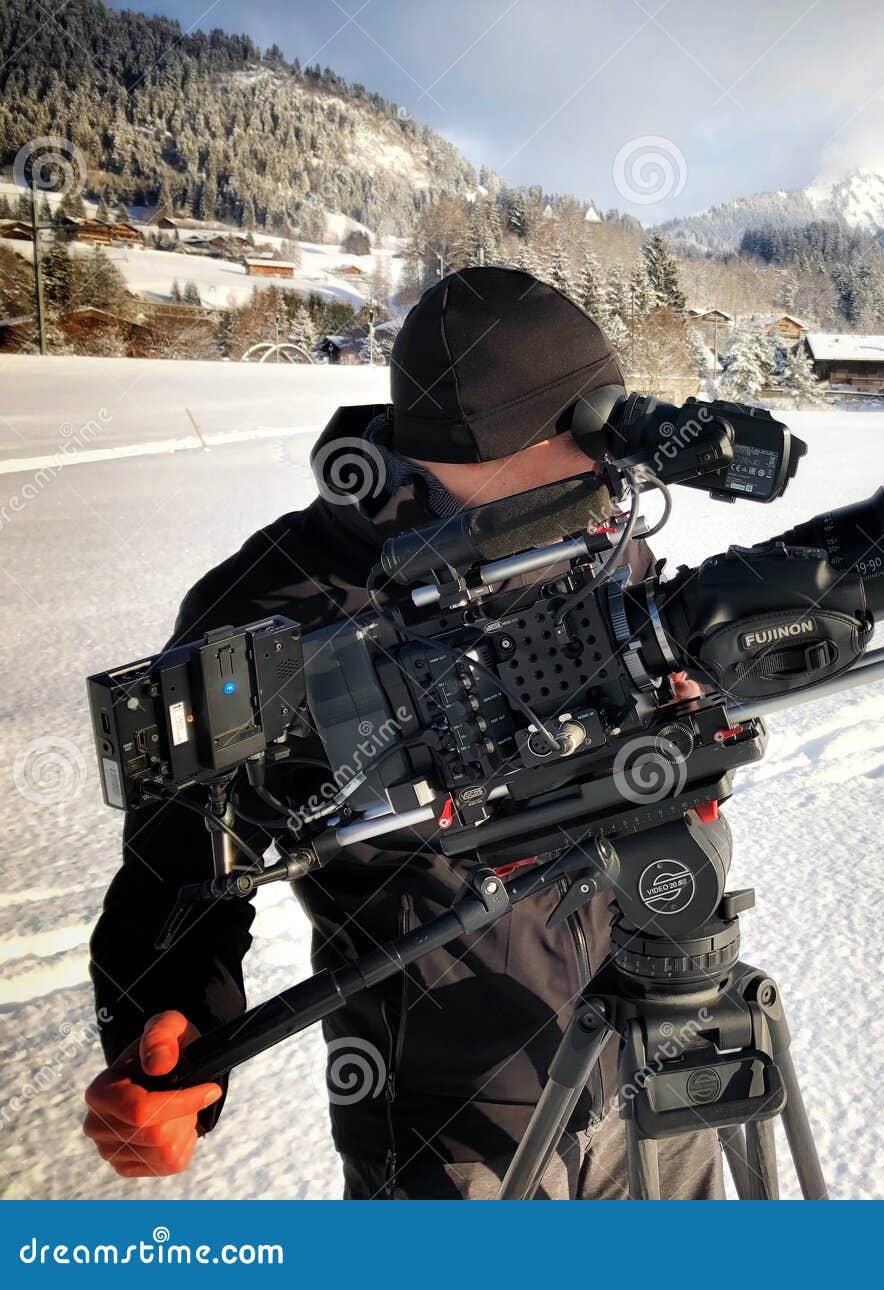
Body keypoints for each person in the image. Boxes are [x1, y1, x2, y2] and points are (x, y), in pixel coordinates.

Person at [83, 267, 724, 1199]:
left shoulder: (594, 536)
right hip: (454, 1133)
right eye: (596, 430)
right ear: (511, 439)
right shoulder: (271, 606)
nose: (615, 465)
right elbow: (177, 873)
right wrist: (168, 1028)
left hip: (660, 1057)